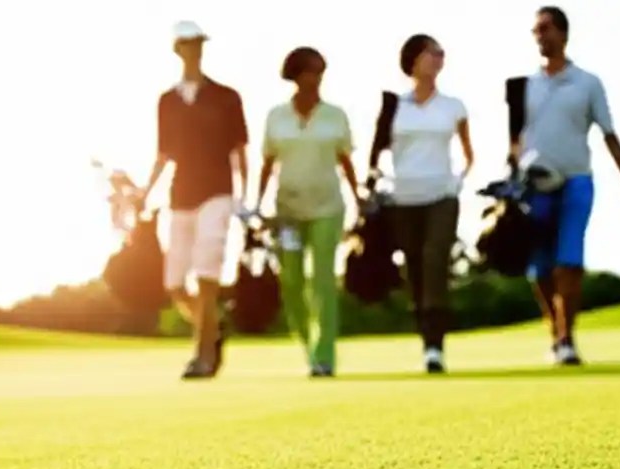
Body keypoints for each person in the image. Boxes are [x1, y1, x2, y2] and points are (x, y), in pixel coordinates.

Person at [517, 6, 620, 367]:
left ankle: (567, 338)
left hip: (576, 181)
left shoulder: (587, 83)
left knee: (568, 262)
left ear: (563, 33)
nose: (540, 36)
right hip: (535, 186)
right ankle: (556, 332)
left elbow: (609, 133)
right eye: (536, 30)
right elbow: (515, 140)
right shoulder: (524, 86)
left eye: (546, 28)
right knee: (539, 270)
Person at [140, 20, 250, 380]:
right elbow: (163, 154)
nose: (194, 49)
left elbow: (239, 150)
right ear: (178, 50)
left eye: (199, 43)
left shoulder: (227, 96)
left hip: (218, 193)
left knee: (206, 274)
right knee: (174, 283)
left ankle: (202, 357)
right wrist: (145, 193)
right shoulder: (167, 101)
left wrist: (243, 197)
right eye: (188, 44)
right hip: (181, 195)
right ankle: (213, 328)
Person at [253, 47, 361, 378]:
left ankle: (324, 355)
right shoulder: (276, 117)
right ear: (295, 76)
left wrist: (359, 199)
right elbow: (268, 163)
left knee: (323, 280)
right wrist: (257, 206)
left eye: (319, 72)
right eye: (310, 72)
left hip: (328, 207)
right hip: (287, 211)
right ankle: (307, 343)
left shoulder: (335, 115)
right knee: (291, 281)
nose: (316, 79)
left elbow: (345, 160)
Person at [373, 34, 474, 374]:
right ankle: (424, 335)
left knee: (435, 259)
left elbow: (468, 153)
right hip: (404, 198)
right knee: (414, 266)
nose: (438, 58)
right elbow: (377, 153)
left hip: (442, 196)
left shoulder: (453, 106)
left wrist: (458, 180)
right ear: (414, 60)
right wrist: (381, 182)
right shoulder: (394, 106)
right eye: (433, 52)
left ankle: (435, 345)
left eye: (441, 53)